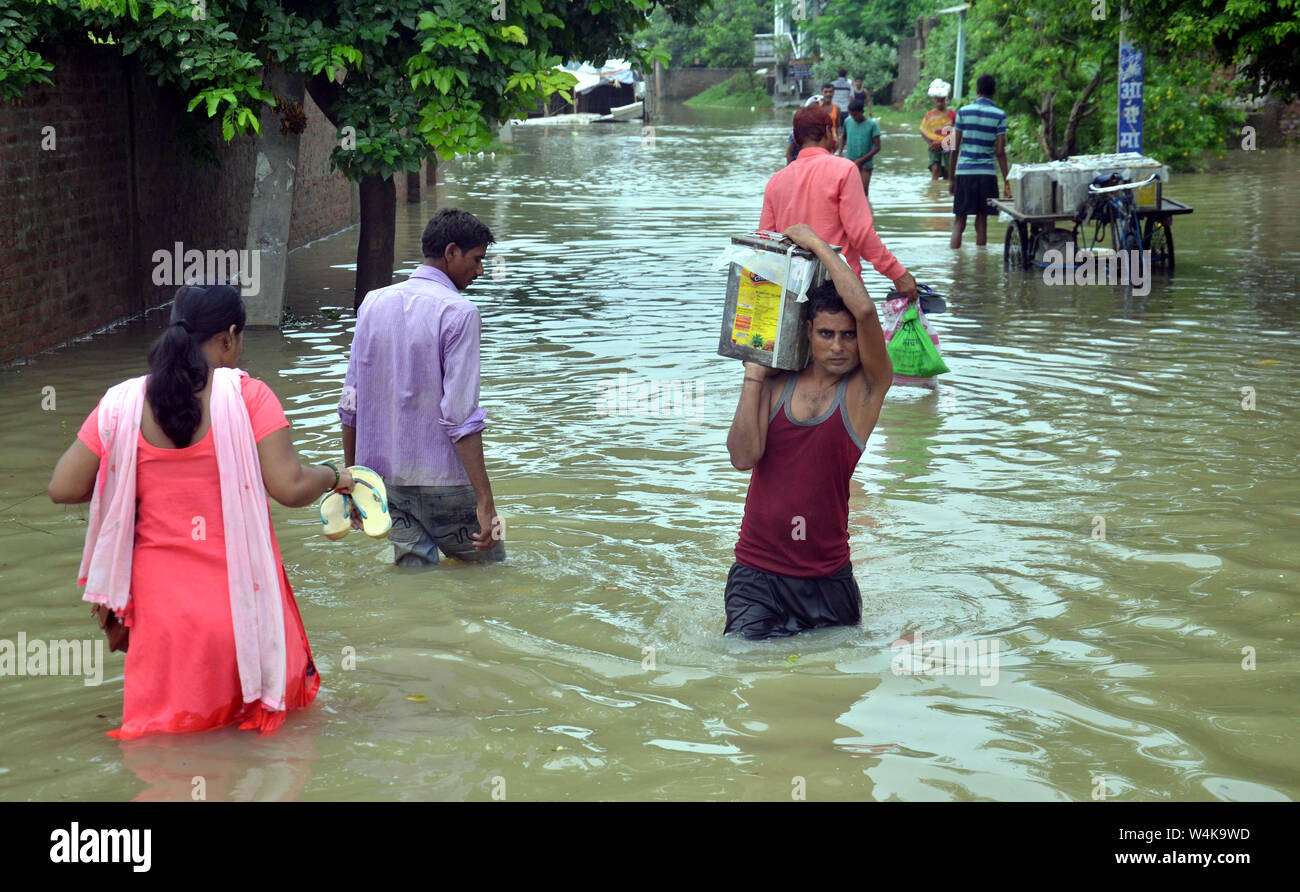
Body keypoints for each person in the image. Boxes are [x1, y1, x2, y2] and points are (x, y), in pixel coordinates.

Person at [48, 284, 349, 738]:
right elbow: (289, 487)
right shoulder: (248, 397)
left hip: (161, 627)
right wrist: (332, 475)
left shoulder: (122, 405)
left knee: (165, 754)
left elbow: (63, 487)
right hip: (241, 615)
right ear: (228, 338)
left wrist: (131, 476)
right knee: (264, 753)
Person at [723, 223, 892, 639]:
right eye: (826, 334)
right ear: (806, 333)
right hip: (756, 574)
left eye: (849, 336)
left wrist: (817, 245)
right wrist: (754, 377)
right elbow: (742, 458)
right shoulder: (774, 383)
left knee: (828, 692)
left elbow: (867, 312)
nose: (838, 347)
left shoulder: (865, 391)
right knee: (743, 663)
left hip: (826, 579)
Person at [340, 208, 504, 568]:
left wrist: (352, 479)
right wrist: (485, 501)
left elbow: (351, 403)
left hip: (387, 484)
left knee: (415, 584)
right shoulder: (459, 313)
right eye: (476, 259)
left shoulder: (372, 303)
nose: (480, 271)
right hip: (444, 482)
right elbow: (460, 415)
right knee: (493, 579)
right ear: (450, 252)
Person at [761, 104, 917, 302]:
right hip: (839, 291)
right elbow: (861, 235)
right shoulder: (844, 169)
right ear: (828, 131)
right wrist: (897, 273)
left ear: (797, 137)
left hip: (792, 292)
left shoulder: (776, 180)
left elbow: (766, 241)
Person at [949, 73, 1010, 248]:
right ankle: (981, 266)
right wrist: (1006, 183)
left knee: (959, 221)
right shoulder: (999, 115)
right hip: (987, 174)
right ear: (994, 92)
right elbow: (1000, 152)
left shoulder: (963, 112)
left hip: (964, 173)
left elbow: (954, 147)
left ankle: (954, 267)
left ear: (977, 91)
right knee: (982, 221)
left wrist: (952, 178)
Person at [843, 98, 881, 197]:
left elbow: (877, 147)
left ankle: (866, 210)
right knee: (849, 190)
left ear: (862, 112)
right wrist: (839, 152)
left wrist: (861, 160)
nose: (853, 117)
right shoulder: (847, 121)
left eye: (855, 115)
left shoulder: (872, 125)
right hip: (850, 160)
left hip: (866, 163)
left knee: (864, 190)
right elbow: (843, 138)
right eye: (851, 115)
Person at [920, 79, 956, 181]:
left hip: (947, 146)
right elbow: (923, 131)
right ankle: (934, 192)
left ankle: (944, 191)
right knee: (935, 168)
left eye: (941, 101)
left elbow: (956, 132)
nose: (939, 104)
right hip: (934, 146)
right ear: (934, 101)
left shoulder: (952, 115)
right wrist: (930, 143)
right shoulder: (929, 115)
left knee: (946, 172)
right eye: (937, 101)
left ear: (945, 100)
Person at [802, 82, 844, 154]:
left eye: (830, 92)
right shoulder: (816, 106)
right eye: (826, 92)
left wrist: (839, 139)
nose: (828, 94)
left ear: (833, 93)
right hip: (817, 142)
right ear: (822, 93)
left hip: (831, 142)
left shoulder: (837, 108)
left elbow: (838, 126)